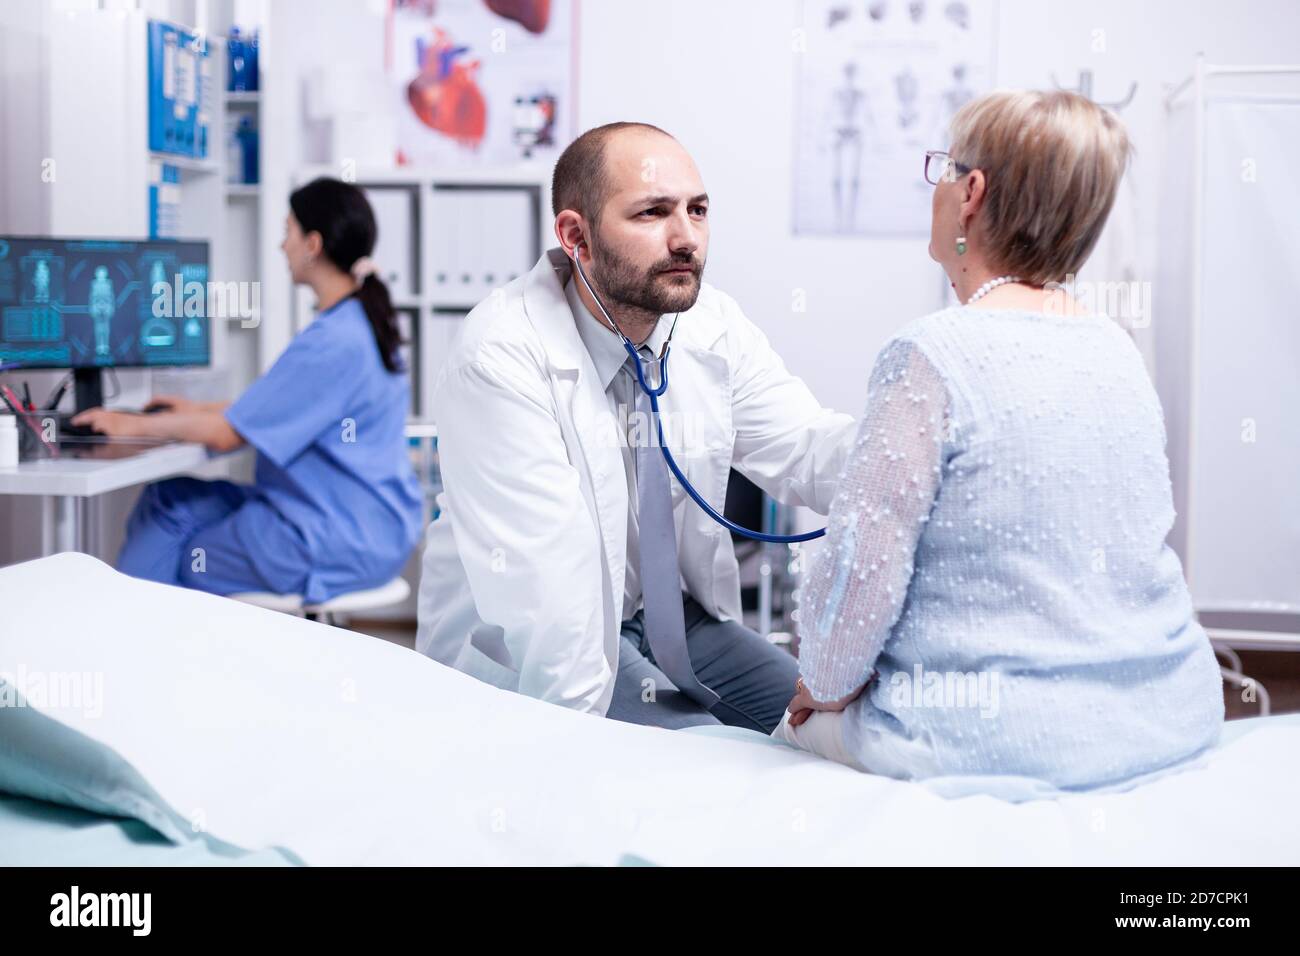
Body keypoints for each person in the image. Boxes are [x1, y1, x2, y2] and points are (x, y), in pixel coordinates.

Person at [773, 90, 1224, 790]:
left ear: (971, 193)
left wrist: (822, 693)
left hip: (989, 737)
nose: (938, 189)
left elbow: (858, 581)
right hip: (1167, 712)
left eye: (941, 171)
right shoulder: (1115, 347)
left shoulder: (929, 352)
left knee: (784, 733)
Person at [417, 122, 856, 733]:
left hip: (676, 622)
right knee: (711, 759)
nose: (686, 239)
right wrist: (589, 758)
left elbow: (806, 447)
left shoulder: (713, 326)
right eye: (652, 213)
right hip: (559, 634)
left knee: (840, 729)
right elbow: (553, 606)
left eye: (697, 210)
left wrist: (910, 446)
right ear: (577, 237)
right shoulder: (500, 356)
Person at [73, 178, 424, 603]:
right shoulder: (358, 322)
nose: (281, 246)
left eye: (288, 232)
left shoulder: (332, 341)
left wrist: (128, 425)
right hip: (371, 525)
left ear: (312, 244)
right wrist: (195, 410)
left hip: (335, 536)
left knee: (187, 554)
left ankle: (129, 638)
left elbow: (229, 434)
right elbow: (276, 406)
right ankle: (134, 629)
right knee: (170, 497)